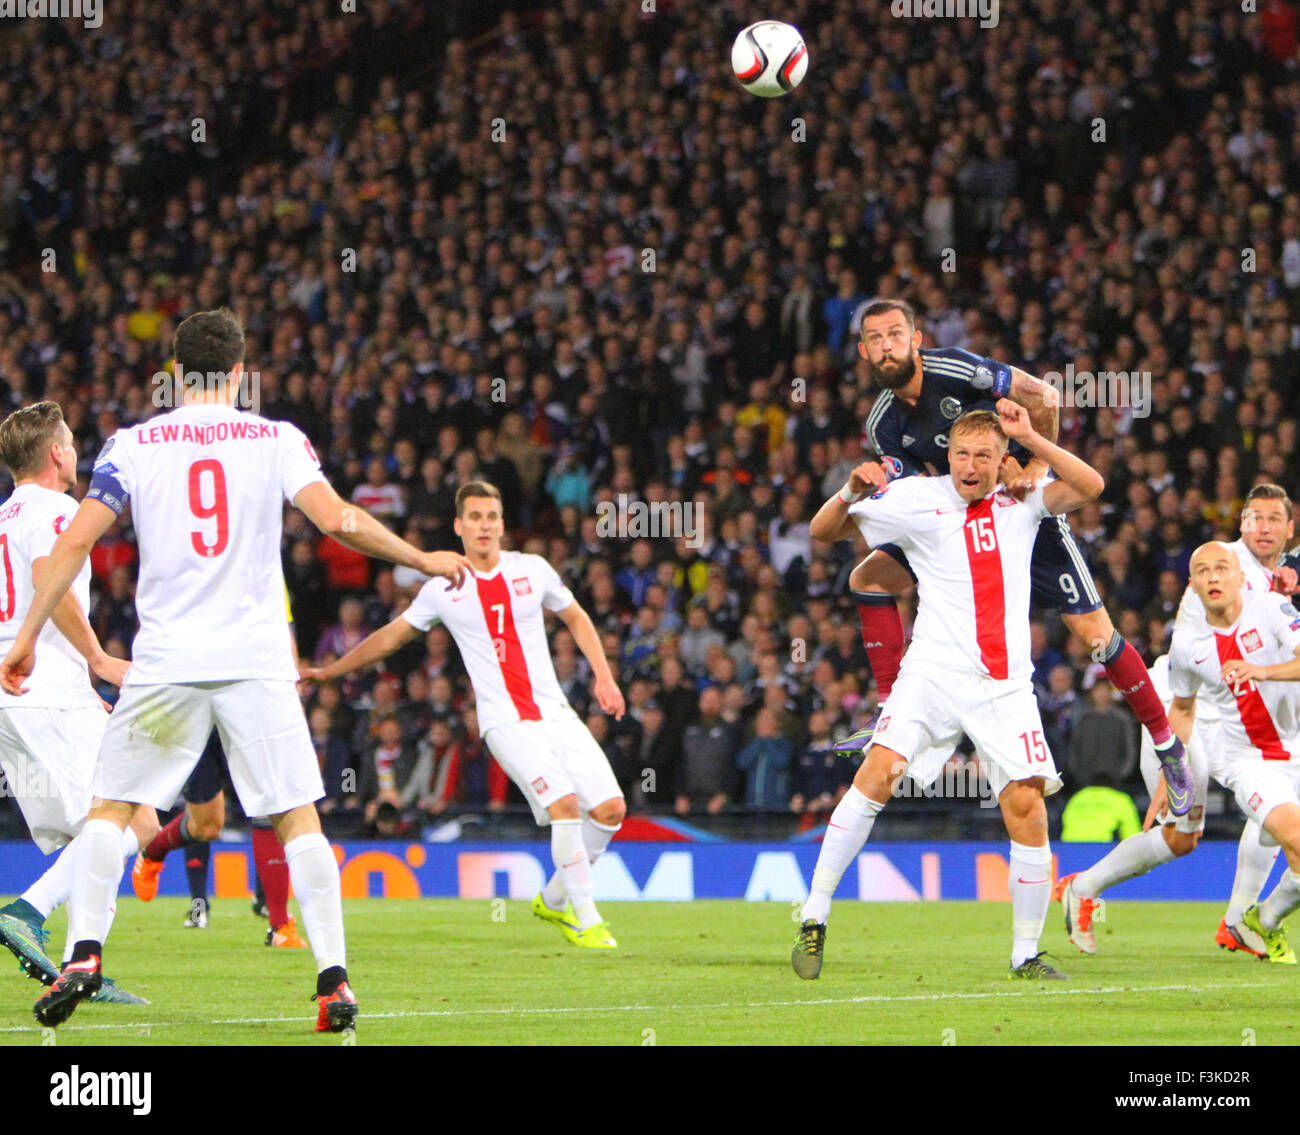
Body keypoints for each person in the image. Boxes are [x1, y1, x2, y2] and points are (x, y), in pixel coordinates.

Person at [0, 308, 472, 1030]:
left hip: (164, 666)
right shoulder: (276, 439)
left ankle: (84, 955)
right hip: (255, 661)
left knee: (113, 807)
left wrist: (28, 636)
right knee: (295, 816)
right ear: (242, 369)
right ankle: (334, 981)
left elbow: (71, 548)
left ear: (176, 372)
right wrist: (422, 558)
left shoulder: (133, 444)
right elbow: (339, 520)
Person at [835, 299, 1192, 812]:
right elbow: (919, 495)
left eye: (895, 334)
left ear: (916, 339)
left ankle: (1166, 744)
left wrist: (1029, 465)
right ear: (865, 350)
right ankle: (891, 708)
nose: (886, 345)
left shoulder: (954, 368)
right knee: (867, 577)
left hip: (1021, 514)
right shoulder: (883, 426)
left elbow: (1044, 396)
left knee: (1096, 636)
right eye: (875, 338)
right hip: (965, 529)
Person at [792, 400, 1103, 981]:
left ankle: (1025, 954)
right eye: (961, 453)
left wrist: (1033, 440)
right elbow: (821, 532)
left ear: (1000, 460)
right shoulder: (917, 498)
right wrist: (849, 491)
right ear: (949, 457)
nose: (971, 464)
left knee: (1026, 809)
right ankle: (815, 914)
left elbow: (1090, 484)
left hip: (1003, 685)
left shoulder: (1023, 500)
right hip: (932, 671)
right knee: (878, 772)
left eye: (984, 455)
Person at [301, 479, 629, 948]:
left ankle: (555, 899)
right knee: (563, 805)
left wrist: (604, 676)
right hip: (506, 722)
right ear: (458, 526)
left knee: (612, 810)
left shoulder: (532, 570)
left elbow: (575, 615)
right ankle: (588, 917)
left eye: (491, 517)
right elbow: (392, 636)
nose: (484, 525)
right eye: (474, 517)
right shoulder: (442, 588)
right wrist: (332, 671)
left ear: (501, 524)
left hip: (555, 713)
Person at [0, 401, 156, 1004]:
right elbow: (52, 581)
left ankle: (78, 972)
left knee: (90, 835)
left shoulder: (4, 516)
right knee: (134, 820)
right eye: (70, 443)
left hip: (17, 696)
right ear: (57, 453)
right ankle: (28, 910)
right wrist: (95, 658)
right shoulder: (55, 509)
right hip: (47, 690)